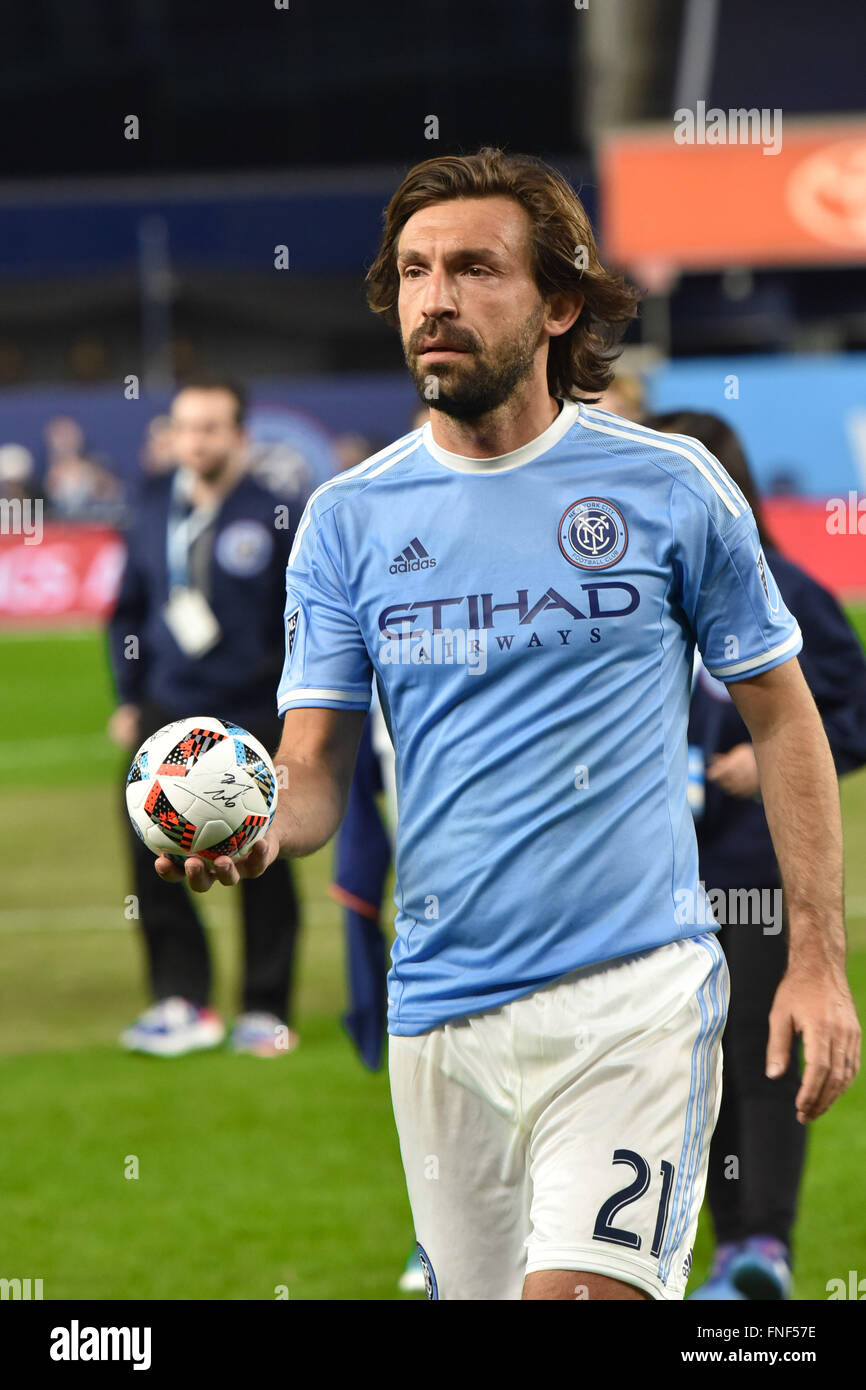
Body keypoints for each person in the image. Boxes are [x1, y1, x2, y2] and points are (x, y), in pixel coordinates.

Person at [153, 148, 860, 1300]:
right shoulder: (346, 521)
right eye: (415, 272)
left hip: (630, 998)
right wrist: (261, 829)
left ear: (558, 304)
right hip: (438, 1018)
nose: (433, 298)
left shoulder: (669, 484)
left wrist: (817, 963)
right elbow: (314, 768)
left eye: (475, 269)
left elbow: (786, 718)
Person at [648, 410, 866, 1300]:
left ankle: (758, 1248)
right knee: (673, 1058)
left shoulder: (784, 588)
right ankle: (698, 1245)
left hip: (751, 871)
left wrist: (757, 755)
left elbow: (850, 710)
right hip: (651, 879)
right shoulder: (627, 591)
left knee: (758, 1046)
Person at [107, 377, 302, 1058]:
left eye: (211, 427)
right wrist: (129, 695)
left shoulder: (279, 513)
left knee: (262, 856)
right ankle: (183, 1000)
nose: (196, 440)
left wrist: (291, 706)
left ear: (240, 435)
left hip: (252, 715)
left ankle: (264, 1006)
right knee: (146, 851)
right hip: (167, 716)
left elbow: (302, 619)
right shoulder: (152, 506)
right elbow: (126, 610)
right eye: (186, 427)